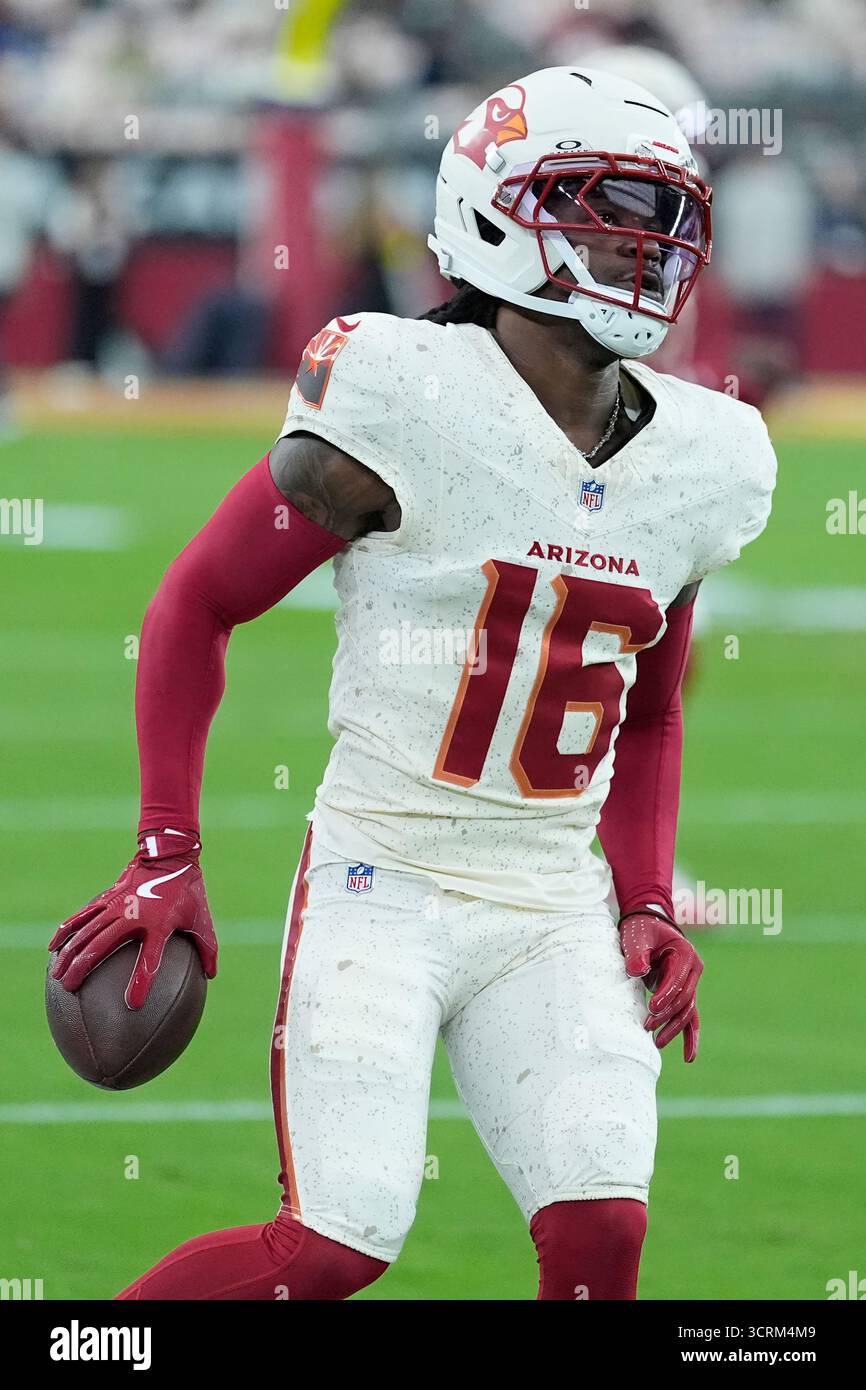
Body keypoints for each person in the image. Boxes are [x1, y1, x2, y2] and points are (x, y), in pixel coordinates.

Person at [49, 66, 776, 1301]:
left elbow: (646, 706)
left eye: (659, 217)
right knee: (333, 1243)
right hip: (381, 874)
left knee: (603, 1235)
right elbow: (196, 605)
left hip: (550, 895)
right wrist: (165, 847)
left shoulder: (704, 456)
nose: (642, 248)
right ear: (495, 213)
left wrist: (645, 895)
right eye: (603, 208)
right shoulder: (400, 394)